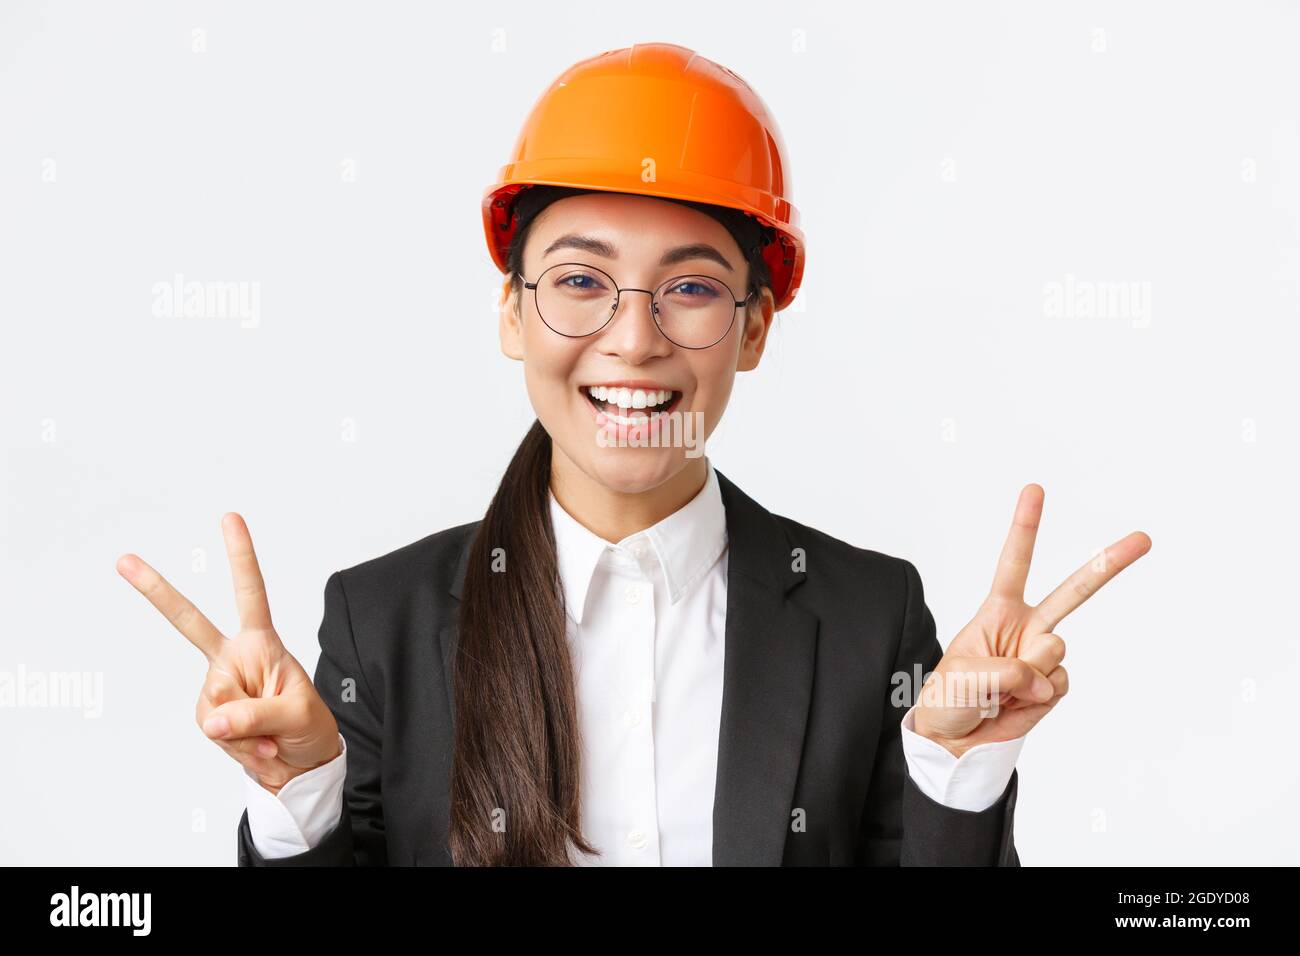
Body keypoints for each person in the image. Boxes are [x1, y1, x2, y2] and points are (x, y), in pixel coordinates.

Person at [116, 42, 1151, 866]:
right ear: (512, 315)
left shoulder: (869, 617)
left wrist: (954, 776)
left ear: (753, 329)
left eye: (692, 286)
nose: (633, 336)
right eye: (578, 280)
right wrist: (304, 804)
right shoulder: (380, 622)